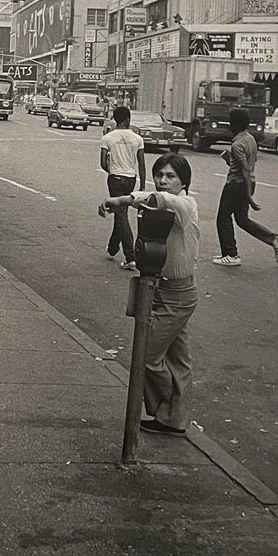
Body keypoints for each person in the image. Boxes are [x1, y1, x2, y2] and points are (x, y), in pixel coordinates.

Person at [100, 152, 200, 435]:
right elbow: (153, 199)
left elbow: (162, 199)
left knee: (146, 355)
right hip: (162, 290)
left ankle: (165, 407)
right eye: (160, 175)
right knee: (179, 360)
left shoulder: (185, 205)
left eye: (171, 176)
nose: (163, 181)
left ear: (184, 182)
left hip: (178, 296)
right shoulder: (160, 205)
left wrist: (120, 200)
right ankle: (174, 420)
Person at [213, 108, 278, 266]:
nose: (229, 125)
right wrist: (230, 160)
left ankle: (231, 254)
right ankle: (275, 240)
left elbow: (245, 169)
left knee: (223, 217)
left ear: (235, 124)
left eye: (230, 122)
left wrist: (249, 197)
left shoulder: (238, 144)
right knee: (242, 219)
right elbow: (249, 164)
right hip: (247, 182)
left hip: (236, 184)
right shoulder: (250, 139)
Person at [100, 106, 146, 269]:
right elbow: (141, 163)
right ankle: (113, 248)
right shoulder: (137, 138)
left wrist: (112, 170)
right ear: (127, 119)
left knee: (121, 215)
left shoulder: (108, 137)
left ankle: (130, 256)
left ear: (114, 119)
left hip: (115, 178)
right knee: (121, 213)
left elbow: (103, 162)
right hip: (131, 179)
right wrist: (142, 185)